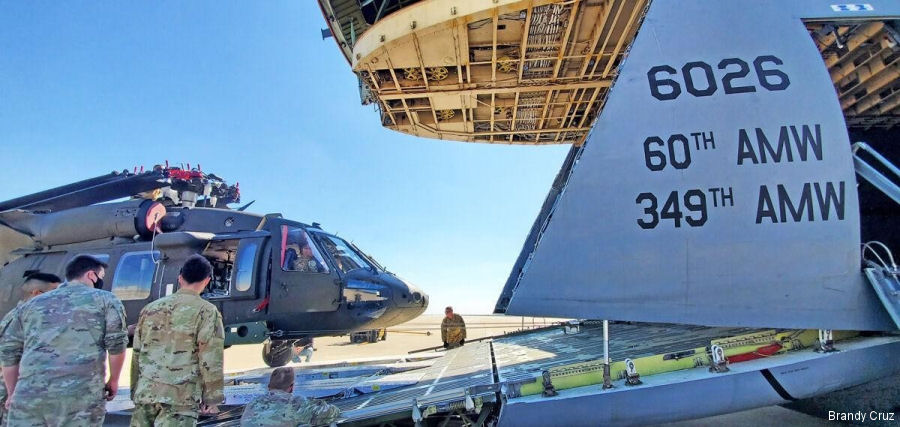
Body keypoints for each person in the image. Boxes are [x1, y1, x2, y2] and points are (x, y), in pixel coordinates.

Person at [0, 255, 128, 426]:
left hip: (29, 396)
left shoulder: (30, 305)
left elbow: (9, 353)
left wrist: (12, 393)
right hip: (78, 396)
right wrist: (114, 380)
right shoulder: (106, 300)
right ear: (91, 275)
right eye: (101, 276)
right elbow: (116, 345)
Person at [130, 255, 225, 427]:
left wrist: (135, 390)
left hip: (146, 393)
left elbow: (137, 353)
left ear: (180, 278)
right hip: (180, 397)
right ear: (207, 280)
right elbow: (211, 358)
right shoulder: (207, 311)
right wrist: (212, 397)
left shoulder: (150, 309)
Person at [0, 272, 61, 426]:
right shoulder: (18, 318)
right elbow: (9, 360)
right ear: (36, 293)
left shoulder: (37, 317)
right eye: (54, 293)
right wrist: (13, 394)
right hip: (16, 392)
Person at [240, 367, 340, 427]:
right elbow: (331, 413)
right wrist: (319, 403)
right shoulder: (294, 405)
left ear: (268, 387)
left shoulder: (253, 404)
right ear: (291, 388)